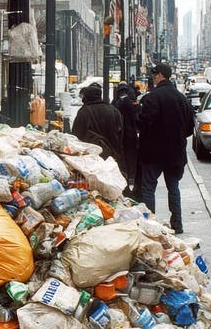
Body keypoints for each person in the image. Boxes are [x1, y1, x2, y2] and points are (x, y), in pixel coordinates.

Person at [137, 61, 194, 234]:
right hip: (175, 152)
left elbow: (143, 124)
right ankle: (177, 224)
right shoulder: (182, 99)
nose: (153, 79)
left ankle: (150, 225)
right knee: (173, 188)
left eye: (154, 75)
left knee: (148, 188)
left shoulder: (151, 98)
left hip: (153, 151)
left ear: (161, 75)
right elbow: (189, 127)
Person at [71, 82, 124, 165]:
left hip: (92, 155)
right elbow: (120, 132)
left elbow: (77, 134)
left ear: (86, 96)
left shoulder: (84, 111)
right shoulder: (113, 110)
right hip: (112, 153)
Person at [112, 82, 139, 189]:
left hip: (119, 135)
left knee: (121, 157)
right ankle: (131, 177)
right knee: (131, 157)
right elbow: (135, 118)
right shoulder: (130, 101)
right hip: (130, 134)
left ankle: (124, 176)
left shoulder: (116, 102)